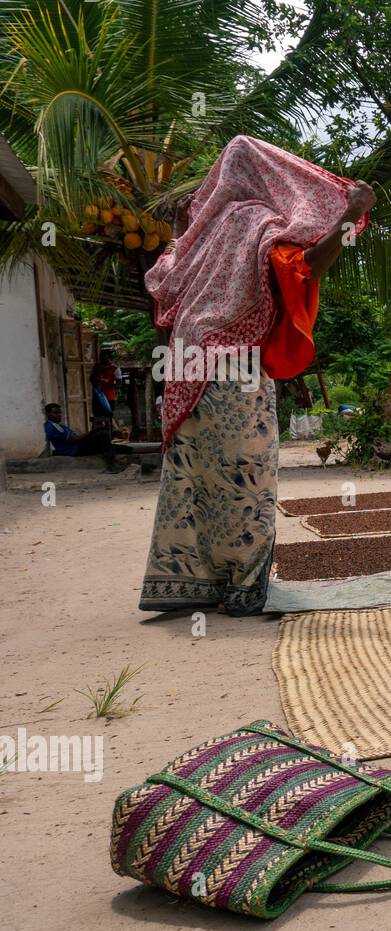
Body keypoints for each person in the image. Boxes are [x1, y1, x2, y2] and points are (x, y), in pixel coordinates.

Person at [138, 135, 373, 616]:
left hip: (185, 373)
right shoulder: (256, 223)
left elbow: (161, 289)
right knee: (245, 482)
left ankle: (188, 584)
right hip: (235, 372)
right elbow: (304, 272)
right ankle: (243, 589)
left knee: (192, 479)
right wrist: (350, 215)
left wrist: (184, 225)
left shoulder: (196, 236)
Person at [42, 403, 133, 472]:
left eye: (60, 413)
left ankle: (128, 452)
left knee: (116, 448)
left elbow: (75, 436)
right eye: (55, 413)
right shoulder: (52, 427)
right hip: (75, 449)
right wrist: (93, 431)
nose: (59, 415)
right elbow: (75, 440)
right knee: (103, 435)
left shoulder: (58, 425)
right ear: (48, 414)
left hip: (77, 446)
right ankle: (112, 465)